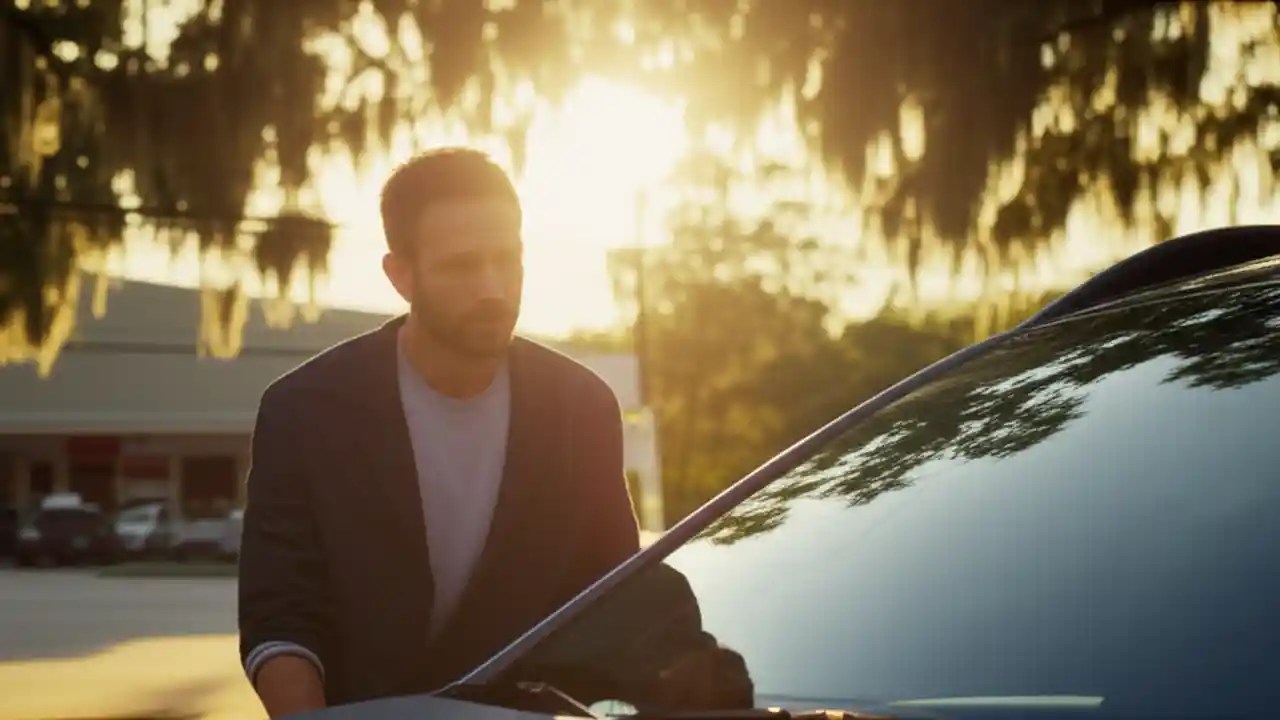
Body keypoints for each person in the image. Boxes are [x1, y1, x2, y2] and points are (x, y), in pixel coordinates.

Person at [237, 148, 641, 717]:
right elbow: (280, 617)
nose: (493, 288)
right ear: (400, 275)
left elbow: (620, 595)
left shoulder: (580, 408)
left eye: (508, 260)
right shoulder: (305, 412)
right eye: (461, 266)